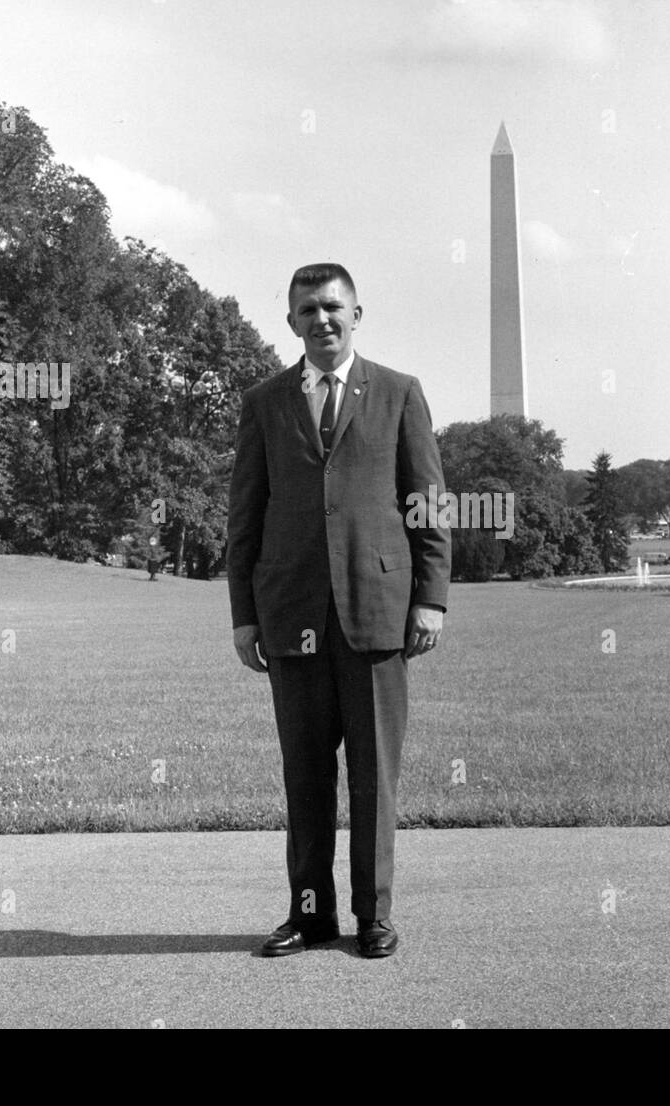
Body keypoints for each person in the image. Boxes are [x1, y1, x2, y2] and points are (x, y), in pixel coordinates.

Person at [227, 263, 450, 959]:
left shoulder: (399, 393)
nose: (320, 320)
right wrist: (243, 614)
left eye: (332, 308)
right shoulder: (265, 402)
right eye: (306, 311)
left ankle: (373, 916)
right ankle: (311, 914)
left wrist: (431, 599)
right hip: (290, 612)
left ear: (358, 314)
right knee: (306, 778)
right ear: (290, 321)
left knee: (375, 779)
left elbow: (428, 504)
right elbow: (245, 516)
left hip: (378, 612)